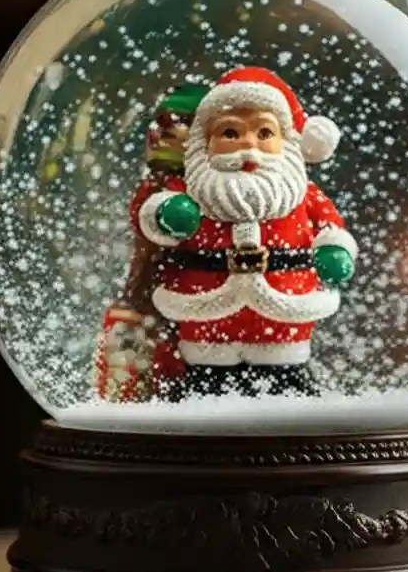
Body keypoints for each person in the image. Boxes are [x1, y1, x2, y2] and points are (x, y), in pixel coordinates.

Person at [134, 67, 356, 398]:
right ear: (204, 142)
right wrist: (168, 215)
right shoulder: (194, 190)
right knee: (205, 384)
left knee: (285, 383)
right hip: (206, 319)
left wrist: (334, 251)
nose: (248, 144)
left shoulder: (302, 195)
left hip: (284, 318)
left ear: (290, 143)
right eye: (230, 133)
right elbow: (154, 215)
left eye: (265, 133)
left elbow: (330, 229)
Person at [95, 84, 208, 401]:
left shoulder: (216, 188)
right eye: (163, 121)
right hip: (153, 306)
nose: (166, 131)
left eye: (181, 121)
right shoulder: (158, 188)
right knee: (131, 381)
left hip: (192, 311)